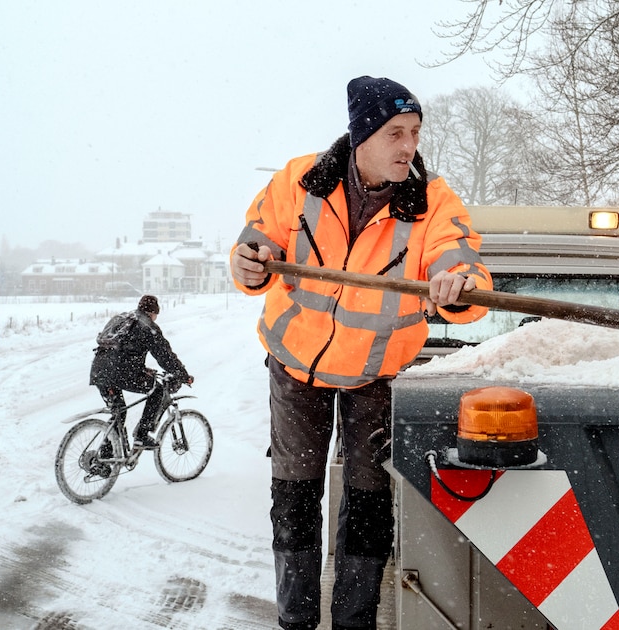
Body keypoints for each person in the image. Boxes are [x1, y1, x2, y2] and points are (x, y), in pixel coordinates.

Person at [230, 76, 492, 630]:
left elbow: (460, 256)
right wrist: (248, 262)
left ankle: (355, 622)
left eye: (415, 133)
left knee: (369, 505)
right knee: (295, 498)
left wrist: (456, 283)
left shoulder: (433, 202)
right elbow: (254, 242)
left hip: (375, 374)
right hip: (295, 367)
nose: (408, 146)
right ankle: (295, 620)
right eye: (395, 132)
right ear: (361, 135)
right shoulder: (298, 181)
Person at [89, 294, 192, 451]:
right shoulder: (148, 326)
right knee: (157, 391)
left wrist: (141, 369)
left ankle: (105, 456)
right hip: (120, 371)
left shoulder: (122, 318)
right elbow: (165, 356)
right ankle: (141, 436)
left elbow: (120, 349)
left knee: (119, 413)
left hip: (99, 370)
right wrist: (182, 375)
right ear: (153, 312)